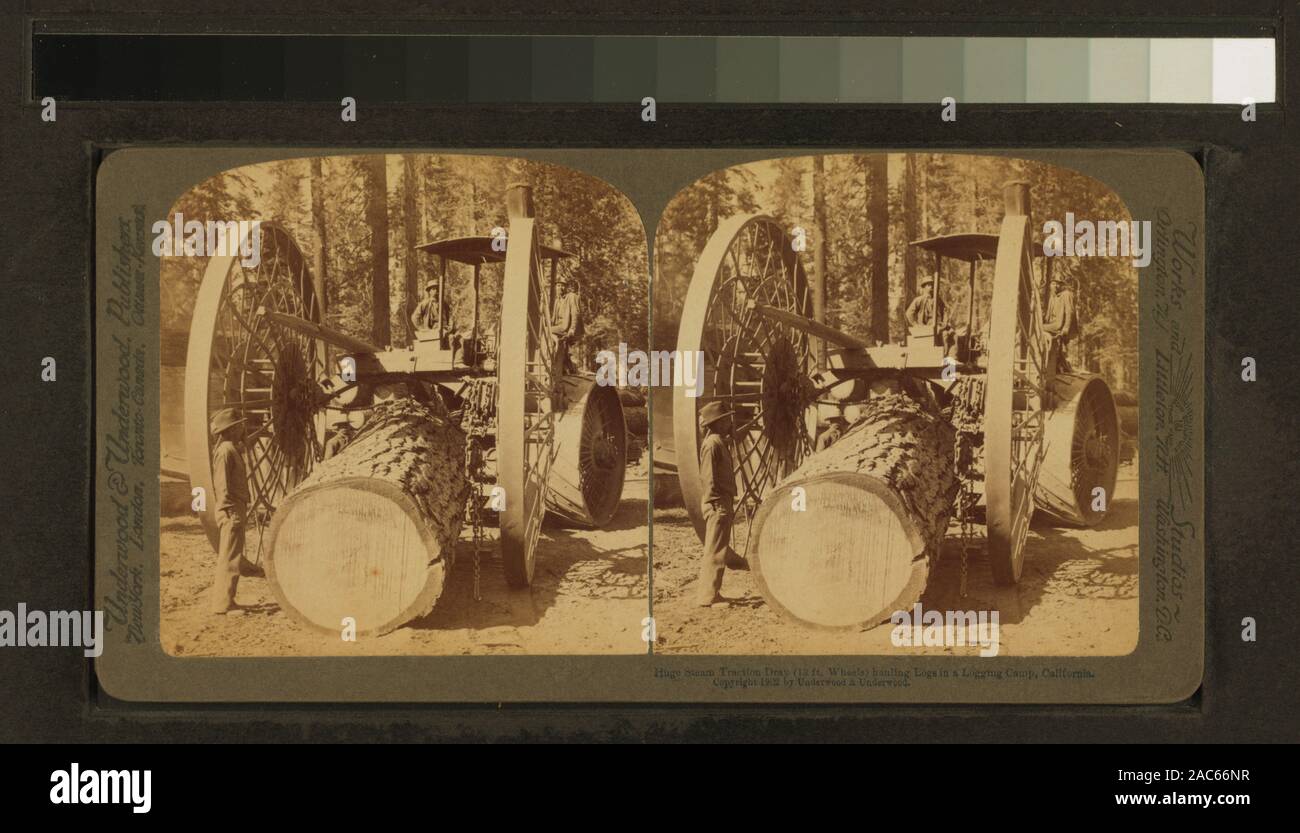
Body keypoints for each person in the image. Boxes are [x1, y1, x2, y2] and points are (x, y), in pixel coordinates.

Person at [696, 401, 749, 607]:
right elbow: (708, 477)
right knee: (715, 550)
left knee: (717, 548)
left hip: (720, 501)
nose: (729, 422)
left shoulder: (717, 441)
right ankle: (708, 596)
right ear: (716, 423)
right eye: (725, 419)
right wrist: (715, 502)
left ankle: (711, 593)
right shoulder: (712, 445)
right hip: (717, 502)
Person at [208, 408, 250, 615]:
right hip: (232, 509)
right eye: (238, 426)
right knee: (229, 557)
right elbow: (222, 484)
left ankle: (226, 601)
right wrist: (228, 509)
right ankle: (223, 604)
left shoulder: (230, 448)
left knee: (231, 555)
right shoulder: (225, 451)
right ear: (230, 430)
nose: (241, 428)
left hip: (234, 508)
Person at [906, 277, 956, 355]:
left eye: (932, 285)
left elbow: (945, 312)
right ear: (924, 287)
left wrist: (944, 324)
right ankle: (943, 357)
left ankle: (952, 358)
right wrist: (916, 325)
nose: (931, 287)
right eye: (929, 285)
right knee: (944, 335)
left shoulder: (938, 300)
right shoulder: (919, 300)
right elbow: (909, 313)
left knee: (953, 334)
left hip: (939, 326)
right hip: (926, 327)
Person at [1043, 274, 1078, 372]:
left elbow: (1069, 311)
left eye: (1058, 284)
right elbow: (1048, 315)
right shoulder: (1052, 297)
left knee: (1038, 328)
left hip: (1060, 325)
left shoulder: (1066, 294)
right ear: (1050, 284)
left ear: (1062, 286)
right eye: (1053, 284)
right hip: (1052, 324)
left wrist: (1066, 327)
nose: (1056, 286)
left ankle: (1061, 364)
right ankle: (1058, 365)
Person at [550, 275, 582, 375]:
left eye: (563, 286)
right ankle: (566, 367)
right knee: (559, 345)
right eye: (558, 285)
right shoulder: (557, 301)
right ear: (556, 287)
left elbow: (575, 313)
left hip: (567, 328)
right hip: (559, 328)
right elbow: (554, 319)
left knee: (546, 330)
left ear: (566, 287)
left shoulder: (571, 297)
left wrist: (572, 328)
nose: (561, 288)